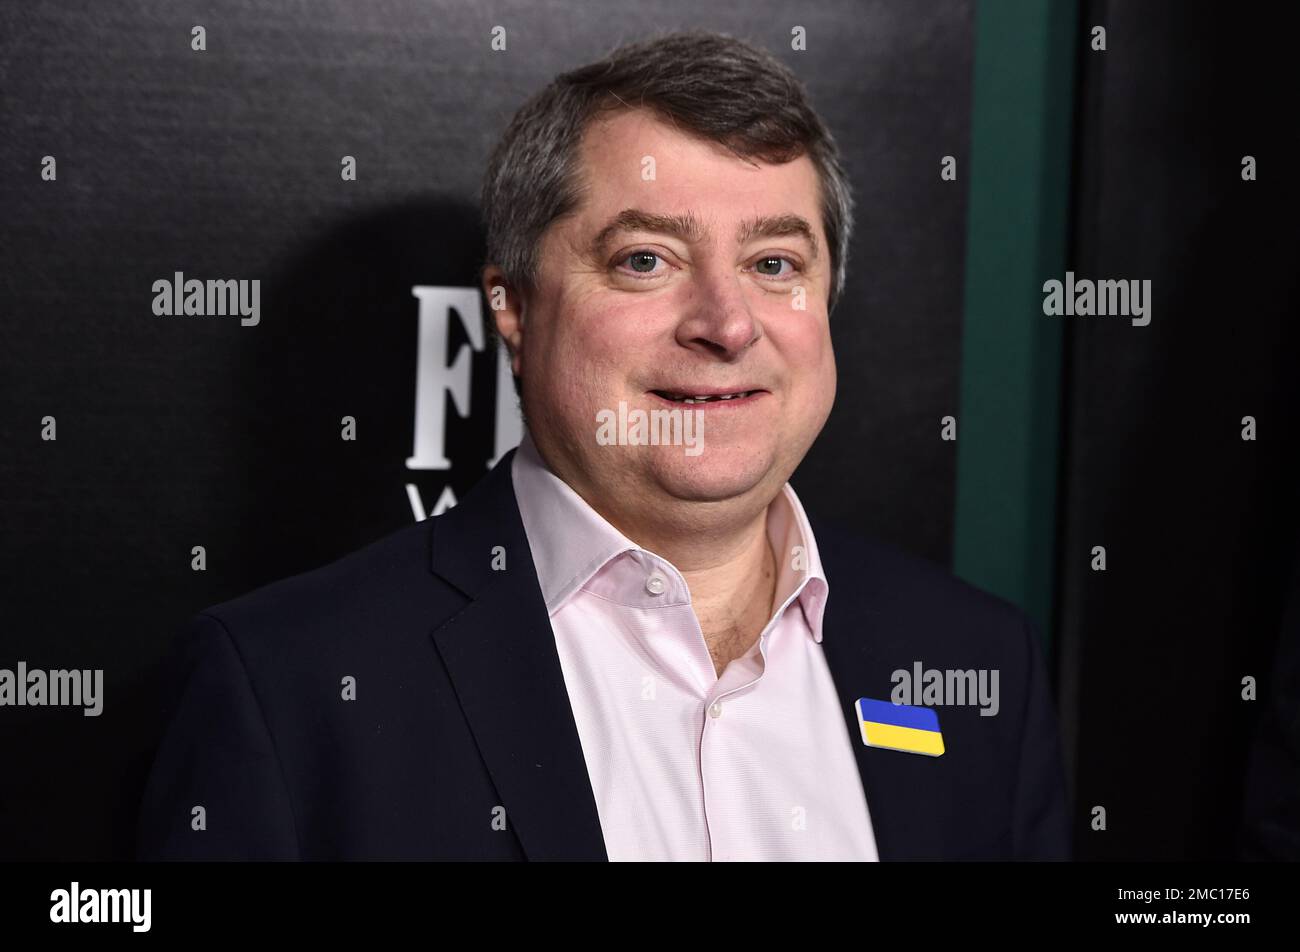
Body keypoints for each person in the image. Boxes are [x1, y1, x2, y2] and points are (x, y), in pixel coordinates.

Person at [137, 30, 1071, 861]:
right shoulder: (287, 686)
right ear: (510, 305)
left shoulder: (975, 661)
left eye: (774, 264)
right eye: (645, 261)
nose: (725, 323)